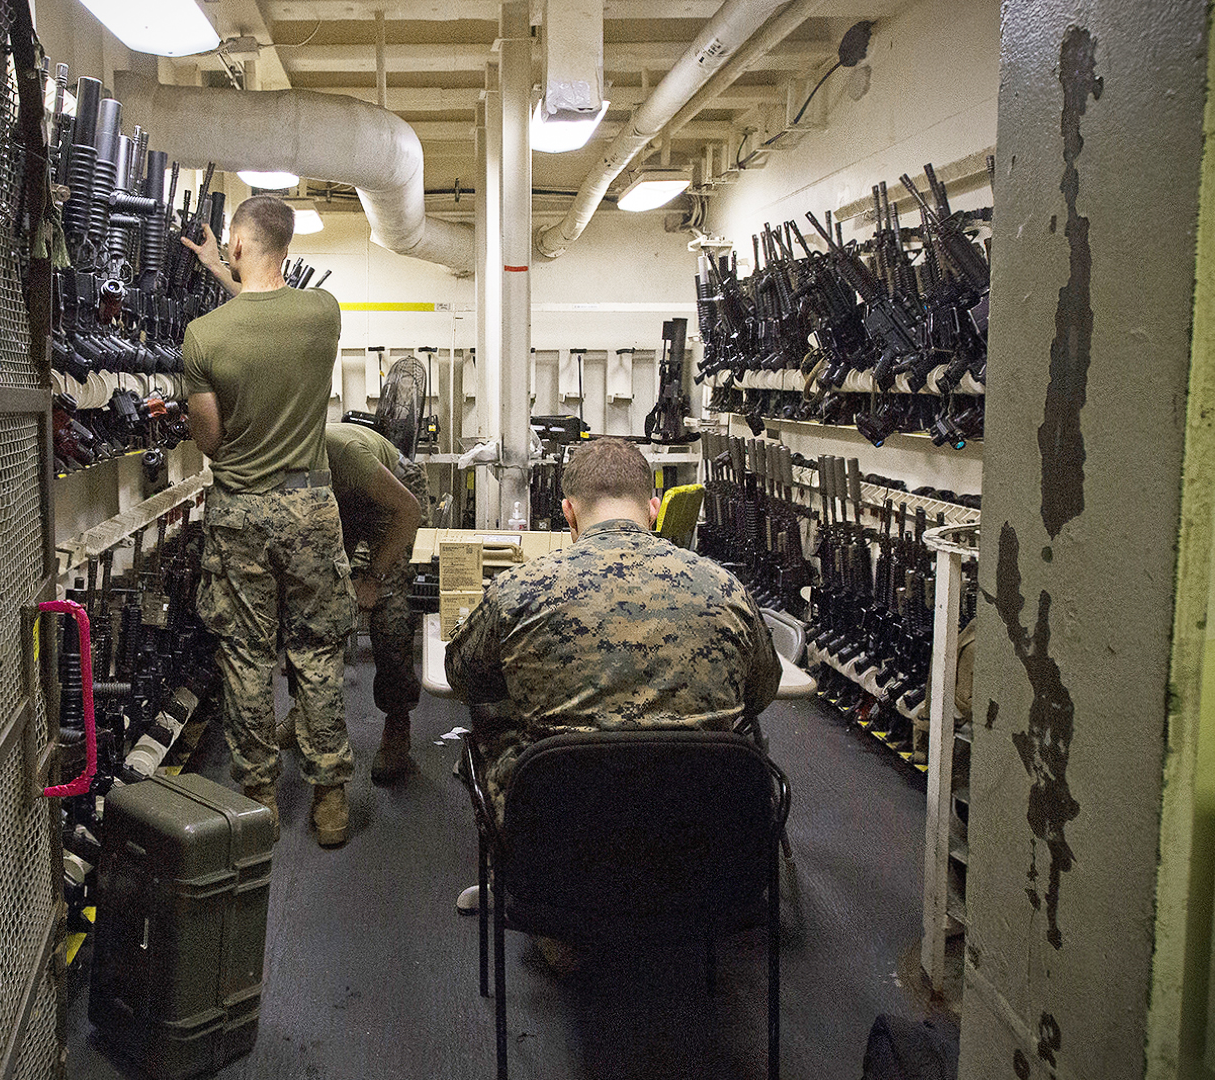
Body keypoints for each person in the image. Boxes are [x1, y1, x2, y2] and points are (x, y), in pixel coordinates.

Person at [446, 437, 781, 818]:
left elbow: (464, 680)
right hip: (706, 825)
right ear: (653, 509)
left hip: (561, 826)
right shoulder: (724, 588)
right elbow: (761, 692)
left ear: (568, 512)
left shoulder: (518, 590)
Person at [182, 195, 356, 847]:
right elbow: (270, 310)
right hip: (310, 508)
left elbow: (208, 438)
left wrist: (216, 272)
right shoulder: (322, 312)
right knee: (317, 651)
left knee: (246, 656)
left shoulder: (203, 337)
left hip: (239, 512)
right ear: (286, 245)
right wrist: (223, 270)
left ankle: (260, 796)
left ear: (236, 244)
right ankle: (330, 797)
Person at [280, 421, 430, 783]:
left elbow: (407, 512)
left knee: (390, 612)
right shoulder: (280, 462)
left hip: (395, 497)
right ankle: (304, 709)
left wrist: (373, 579)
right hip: (340, 502)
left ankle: (397, 722)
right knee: (308, 602)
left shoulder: (343, 453)